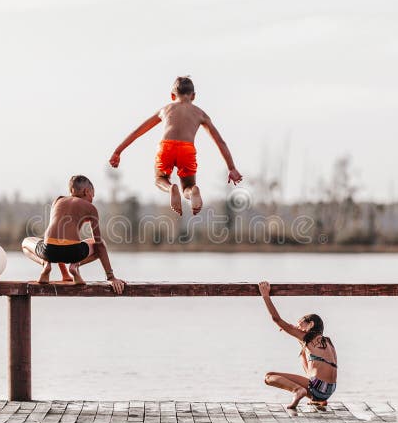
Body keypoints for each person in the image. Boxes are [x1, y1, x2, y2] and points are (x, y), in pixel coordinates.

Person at [108, 76, 243, 216]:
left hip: (166, 147)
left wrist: (118, 152)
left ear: (172, 95)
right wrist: (231, 168)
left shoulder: (165, 109)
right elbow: (220, 142)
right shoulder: (200, 113)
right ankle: (192, 193)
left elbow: (138, 132)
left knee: (160, 179)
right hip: (187, 149)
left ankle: (170, 188)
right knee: (188, 186)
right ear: (194, 96)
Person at [22, 175, 125, 294]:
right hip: (74, 252)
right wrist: (111, 277)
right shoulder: (90, 208)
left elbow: (57, 238)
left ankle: (45, 265)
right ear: (87, 191)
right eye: (92, 195)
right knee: (100, 243)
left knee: (26, 242)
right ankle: (74, 267)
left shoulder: (58, 200)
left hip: (49, 251)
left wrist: (64, 274)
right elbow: (99, 244)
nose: (92, 199)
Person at [258, 281, 338, 410]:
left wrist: (265, 295)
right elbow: (312, 368)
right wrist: (294, 332)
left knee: (268, 376)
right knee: (303, 356)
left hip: (318, 387)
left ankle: (297, 390)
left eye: (300, 323)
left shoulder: (308, 337)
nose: (297, 327)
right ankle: (317, 400)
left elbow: (276, 319)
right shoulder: (328, 341)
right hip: (329, 390)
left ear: (311, 324)